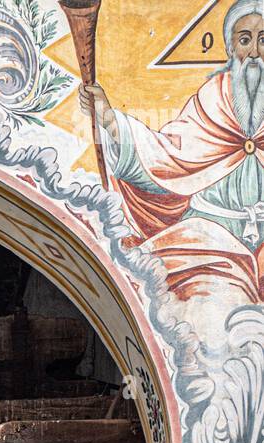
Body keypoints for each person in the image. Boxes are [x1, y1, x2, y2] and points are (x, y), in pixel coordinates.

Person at [80, 4, 264, 311]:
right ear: (231, 47)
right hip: (208, 240)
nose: (255, 52)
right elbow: (167, 158)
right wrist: (111, 121)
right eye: (245, 40)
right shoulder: (212, 100)